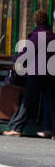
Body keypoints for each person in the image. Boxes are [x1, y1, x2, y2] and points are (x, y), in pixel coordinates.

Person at [4, 9, 55, 137]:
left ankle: (16, 127)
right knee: (50, 101)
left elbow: (27, 52)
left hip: (38, 72)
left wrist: (16, 60)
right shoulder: (52, 35)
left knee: (28, 101)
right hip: (51, 72)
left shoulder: (37, 35)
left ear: (36, 21)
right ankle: (51, 129)